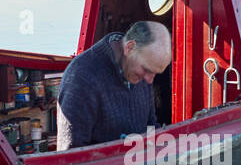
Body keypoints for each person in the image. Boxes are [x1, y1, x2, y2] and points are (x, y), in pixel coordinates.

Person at [56, 21, 172, 150]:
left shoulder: (140, 71)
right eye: (146, 69)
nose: (149, 81)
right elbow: (70, 154)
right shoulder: (82, 77)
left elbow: (150, 126)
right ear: (129, 48)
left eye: (155, 73)